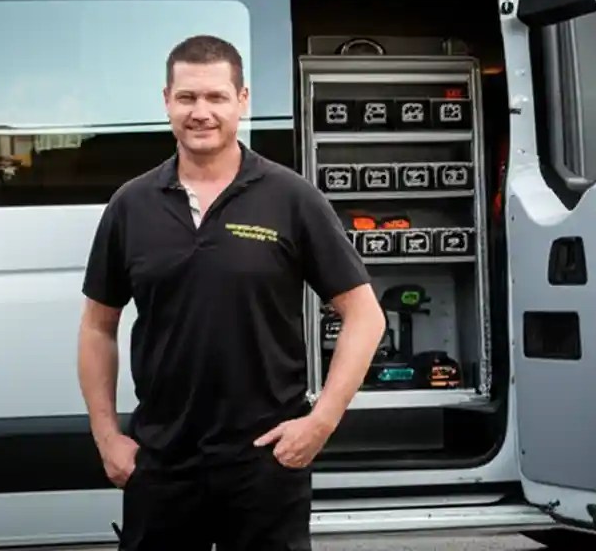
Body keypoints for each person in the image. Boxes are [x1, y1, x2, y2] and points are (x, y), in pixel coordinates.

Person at [77, 34, 388, 551]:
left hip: (265, 459)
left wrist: (321, 422)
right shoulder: (131, 205)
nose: (201, 112)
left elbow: (364, 315)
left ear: (242, 101)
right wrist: (107, 437)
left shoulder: (291, 198)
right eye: (187, 98)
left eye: (217, 97)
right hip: (163, 461)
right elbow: (96, 326)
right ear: (166, 102)